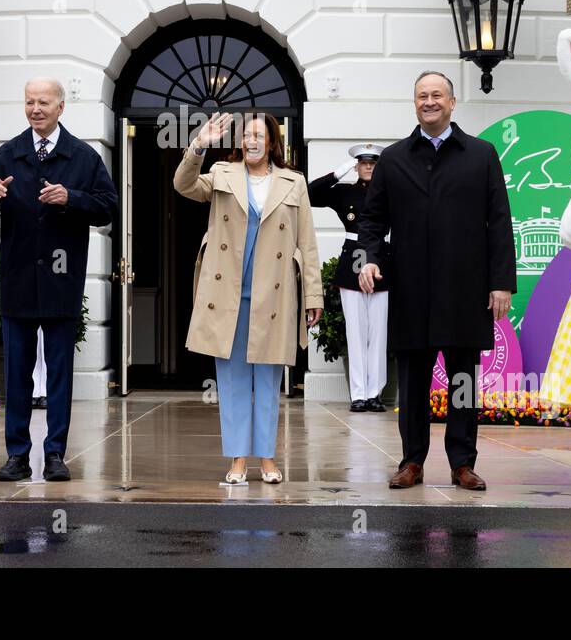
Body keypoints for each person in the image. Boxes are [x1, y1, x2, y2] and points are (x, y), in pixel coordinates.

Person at [357, 72, 516, 492]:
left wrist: (501, 283)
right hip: (412, 291)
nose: (429, 102)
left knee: (462, 382)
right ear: (414, 104)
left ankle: (463, 463)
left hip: (465, 291)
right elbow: (372, 220)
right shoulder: (393, 159)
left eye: (437, 95)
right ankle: (411, 462)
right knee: (412, 384)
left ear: (452, 102)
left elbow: (499, 222)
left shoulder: (481, 155)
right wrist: (369, 258)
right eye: (422, 96)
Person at [0, 79, 117, 483]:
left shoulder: (83, 157)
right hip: (17, 281)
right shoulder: (8, 154)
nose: (35, 109)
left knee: (59, 373)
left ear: (61, 107)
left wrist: (72, 199)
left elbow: (109, 207)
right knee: (16, 374)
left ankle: (54, 455)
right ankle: (16, 454)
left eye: (44, 102)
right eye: (29, 102)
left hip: (60, 280)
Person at [175, 111, 323, 484]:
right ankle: (239, 460)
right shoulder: (223, 174)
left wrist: (312, 296)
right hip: (229, 295)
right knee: (233, 382)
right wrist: (198, 146)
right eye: (246, 135)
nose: (252, 141)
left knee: (269, 383)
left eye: (259, 135)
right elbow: (183, 185)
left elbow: (307, 244)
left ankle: (268, 459)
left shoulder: (294, 182)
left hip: (274, 297)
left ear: (272, 142)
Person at [308, 143, 390, 412]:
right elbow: (309, 194)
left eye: (373, 163)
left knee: (378, 332)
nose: (368, 167)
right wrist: (339, 172)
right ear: (356, 165)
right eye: (363, 162)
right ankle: (358, 394)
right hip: (352, 261)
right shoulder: (345, 192)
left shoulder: (389, 192)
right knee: (355, 331)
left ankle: (375, 393)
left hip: (380, 259)